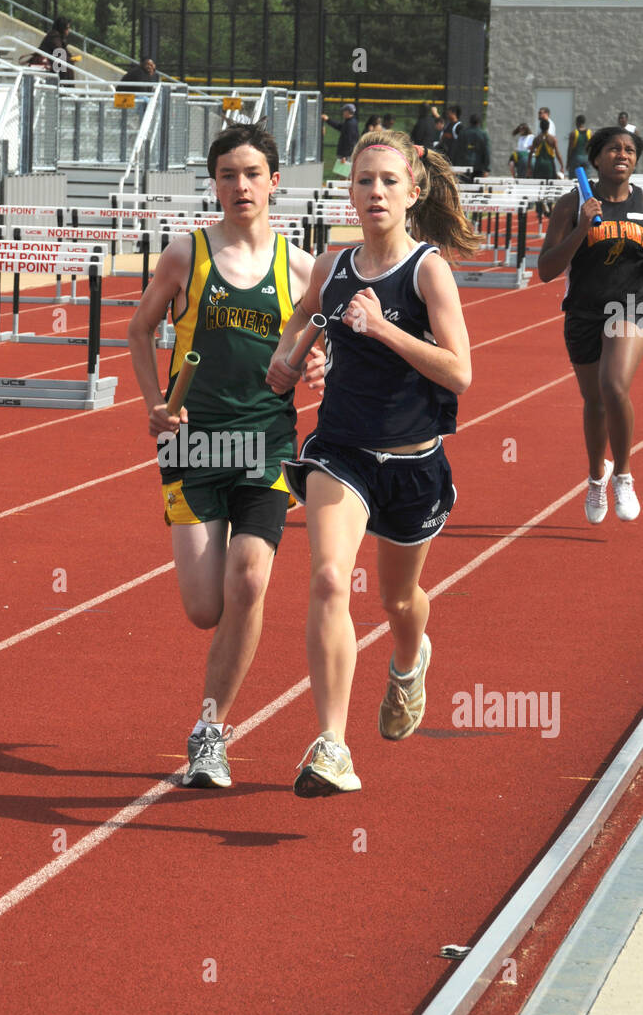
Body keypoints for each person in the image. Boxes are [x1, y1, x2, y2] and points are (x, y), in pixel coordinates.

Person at [266, 130, 475, 797]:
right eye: (363, 181)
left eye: (388, 181)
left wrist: (383, 327)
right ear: (348, 193)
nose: (375, 192)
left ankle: (410, 661)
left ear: (413, 192)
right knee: (329, 579)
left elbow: (459, 372)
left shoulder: (425, 270)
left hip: (412, 463)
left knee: (396, 599)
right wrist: (287, 355)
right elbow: (303, 317)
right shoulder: (331, 267)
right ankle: (331, 745)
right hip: (342, 450)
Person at [127, 120, 323, 789]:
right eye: (227, 174)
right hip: (193, 447)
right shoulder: (187, 254)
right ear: (213, 183)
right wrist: (155, 403)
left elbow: (316, 351)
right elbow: (138, 327)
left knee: (249, 581)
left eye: (251, 173)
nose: (240, 185)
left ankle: (210, 733)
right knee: (205, 609)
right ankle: (209, 727)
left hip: (265, 445)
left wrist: (318, 367)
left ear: (274, 182)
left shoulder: (299, 268)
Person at [537, 124, 643, 524]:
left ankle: (624, 475)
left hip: (629, 308)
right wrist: (582, 227)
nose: (622, 155)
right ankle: (596, 475)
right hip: (583, 311)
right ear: (596, 158)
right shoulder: (572, 203)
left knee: (614, 387)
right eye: (613, 149)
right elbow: (547, 270)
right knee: (595, 400)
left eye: (629, 150)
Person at [26, 16, 79, 82]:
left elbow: (65, 53)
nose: (68, 30)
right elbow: (60, 53)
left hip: (52, 65)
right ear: (62, 28)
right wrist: (71, 59)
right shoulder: (54, 37)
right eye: (67, 28)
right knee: (65, 67)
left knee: (65, 67)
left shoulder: (59, 38)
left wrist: (72, 58)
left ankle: (66, 88)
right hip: (46, 65)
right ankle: (66, 89)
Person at [321, 102, 359, 171]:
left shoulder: (350, 124)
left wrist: (345, 155)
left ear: (348, 111)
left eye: (344, 111)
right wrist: (328, 120)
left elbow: (349, 141)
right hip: (347, 153)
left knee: (343, 174)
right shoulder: (349, 122)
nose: (343, 113)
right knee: (343, 174)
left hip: (346, 154)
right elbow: (339, 126)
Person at [460, 112, 491, 178]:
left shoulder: (463, 133)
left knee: (464, 187)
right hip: (479, 167)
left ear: (470, 122)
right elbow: (487, 151)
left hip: (465, 166)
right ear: (479, 122)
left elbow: (458, 149)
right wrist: (486, 168)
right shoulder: (483, 134)